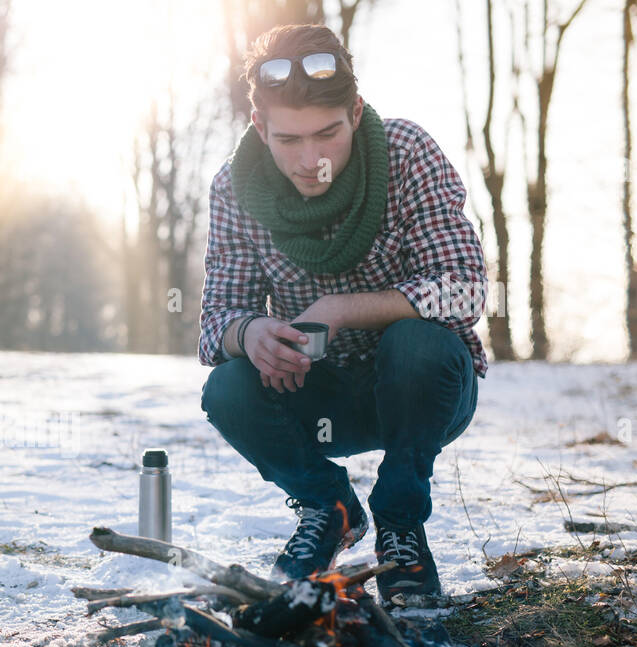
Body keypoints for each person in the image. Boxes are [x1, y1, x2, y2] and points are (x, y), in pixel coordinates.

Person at [198, 23, 487, 603]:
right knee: (226, 386)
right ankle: (328, 508)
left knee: (418, 343)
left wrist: (341, 310)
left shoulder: (407, 152)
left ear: (355, 111)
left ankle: (402, 529)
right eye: (289, 141)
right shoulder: (234, 186)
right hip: (315, 396)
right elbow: (213, 323)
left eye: (327, 134)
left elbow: (465, 292)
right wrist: (249, 331)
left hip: (419, 393)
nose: (311, 160)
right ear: (260, 126)